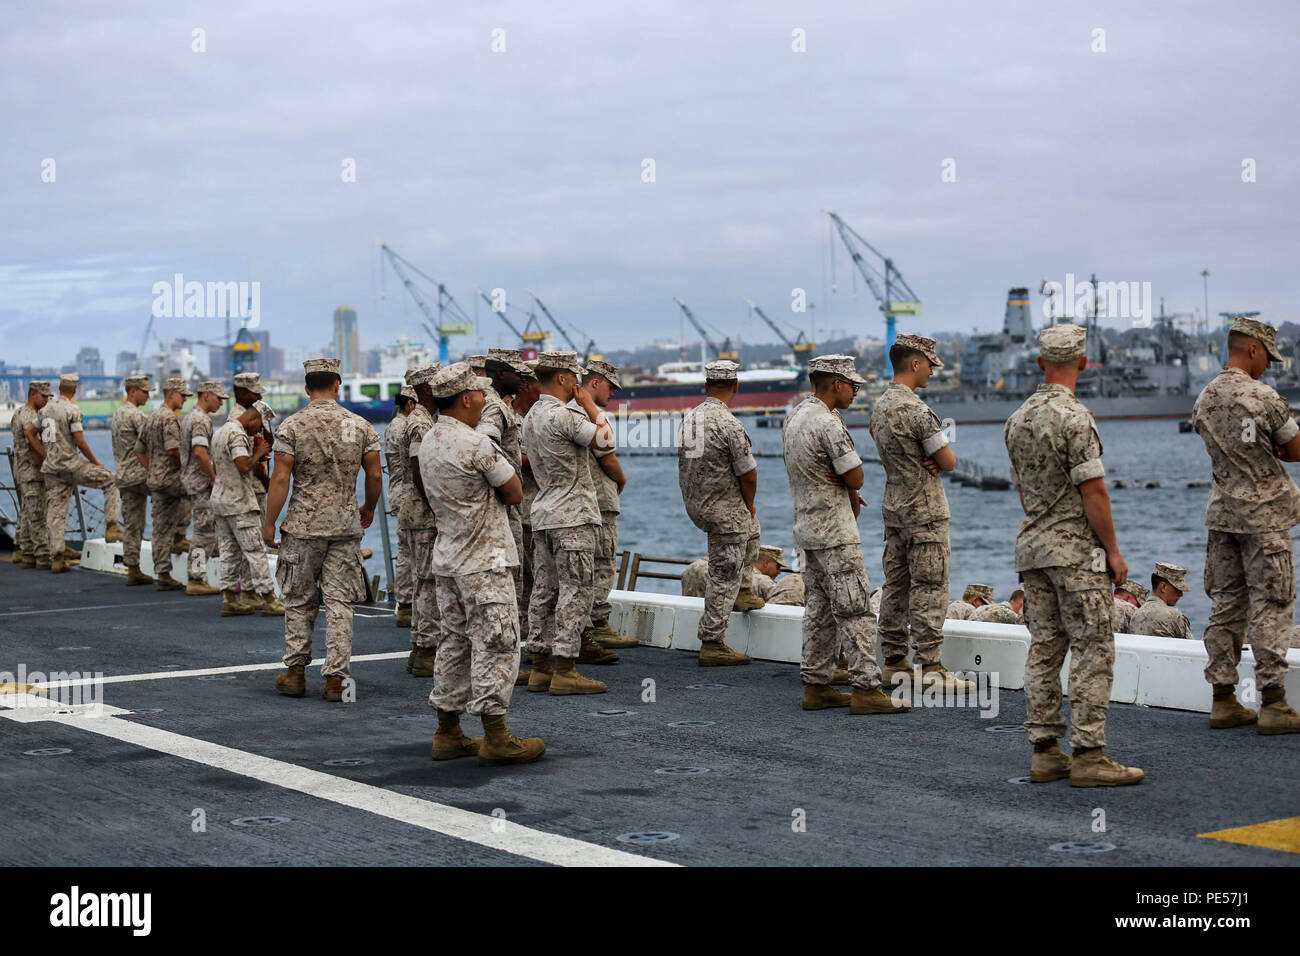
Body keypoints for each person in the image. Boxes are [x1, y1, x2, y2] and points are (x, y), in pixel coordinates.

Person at [1004, 323, 1142, 787]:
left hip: (1033, 549)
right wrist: (1114, 552)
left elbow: (1026, 495)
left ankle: (1045, 751)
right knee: (1092, 647)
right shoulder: (1076, 417)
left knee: (1045, 647)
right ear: (1084, 362)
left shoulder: (1017, 419)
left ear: (1041, 363)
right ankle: (1089, 755)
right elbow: (1094, 492)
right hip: (1077, 555)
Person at [420, 362, 544, 765]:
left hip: (448, 559)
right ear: (468, 398)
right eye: (480, 394)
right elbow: (513, 492)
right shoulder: (476, 444)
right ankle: (495, 735)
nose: (484, 400)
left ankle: (447, 731)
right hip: (485, 563)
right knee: (498, 642)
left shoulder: (429, 441)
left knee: (454, 643)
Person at [1191, 317, 1300, 734]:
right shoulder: (1262, 397)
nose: (1269, 366)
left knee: (1226, 604)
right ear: (1253, 349)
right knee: (1272, 603)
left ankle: (1223, 699)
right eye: (1267, 357)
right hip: (1265, 520)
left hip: (1222, 518)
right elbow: (1294, 449)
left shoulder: (1205, 398)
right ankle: (1273, 704)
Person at [784, 354, 908, 714]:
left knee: (819, 608)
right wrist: (850, 486)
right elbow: (856, 477)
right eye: (852, 385)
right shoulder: (828, 423)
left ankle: (816, 684)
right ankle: (867, 689)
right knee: (855, 611)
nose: (855, 392)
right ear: (835, 383)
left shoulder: (793, 417)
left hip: (806, 531)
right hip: (836, 532)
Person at [265, 358, 382, 702]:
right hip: (345, 527)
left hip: (302, 528)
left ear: (306, 388)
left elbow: (281, 478)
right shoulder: (360, 425)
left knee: (299, 600)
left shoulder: (292, 426)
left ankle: (295, 673)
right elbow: (374, 476)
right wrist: (369, 507)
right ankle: (336, 679)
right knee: (341, 603)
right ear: (337, 385)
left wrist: (270, 521)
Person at [870, 334, 970, 691]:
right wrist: (935, 460)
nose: (931, 371)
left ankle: (894, 661)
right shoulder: (917, 410)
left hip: (894, 509)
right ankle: (931, 667)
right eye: (929, 364)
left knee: (896, 585)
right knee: (930, 584)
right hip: (925, 511)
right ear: (915, 364)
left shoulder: (879, 408)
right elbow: (948, 461)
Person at [521, 350, 617, 694]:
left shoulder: (531, 415)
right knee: (576, 591)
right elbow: (606, 441)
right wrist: (592, 407)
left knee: (544, 591)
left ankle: (541, 666)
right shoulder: (563, 416)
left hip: (544, 511)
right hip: (573, 515)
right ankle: (565, 669)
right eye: (573, 376)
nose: (578, 382)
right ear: (561, 378)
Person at [677, 359, 761, 667]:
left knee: (752, 531)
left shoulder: (689, 419)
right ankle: (712, 642)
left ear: (706, 386)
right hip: (724, 511)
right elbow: (748, 475)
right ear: (736, 387)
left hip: (697, 505)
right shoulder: (730, 425)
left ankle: (746, 589)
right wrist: (748, 503)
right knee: (723, 574)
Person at [477, 348, 536, 679]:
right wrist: (506, 483)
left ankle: (502, 659)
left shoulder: (493, 403)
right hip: (502, 508)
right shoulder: (494, 407)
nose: (524, 379)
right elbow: (484, 447)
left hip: (500, 507)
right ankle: (503, 664)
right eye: (518, 373)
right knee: (505, 583)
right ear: (500, 373)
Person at [38, 373, 123, 572]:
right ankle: (111, 527)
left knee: (56, 512)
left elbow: (33, 434)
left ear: (59, 388)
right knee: (111, 481)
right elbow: (80, 440)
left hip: (51, 468)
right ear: (74, 390)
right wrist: (96, 462)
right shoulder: (72, 410)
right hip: (71, 466)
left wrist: (46, 454)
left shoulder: (45, 410)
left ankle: (57, 557)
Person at [579, 360, 636, 653]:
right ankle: (598, 625)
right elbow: (606, 452)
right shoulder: (589, 415)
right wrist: (621, 478)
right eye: (611, 386)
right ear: (596, 382)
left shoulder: (564, 411)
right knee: (602, 562)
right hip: (599, 500)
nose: (613, 393)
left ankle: (588, 625)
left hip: (581, 501)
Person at [210, 405, 280, 616]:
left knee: (229, 551)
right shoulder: (237, 434)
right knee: (255, 551)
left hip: (220, 499)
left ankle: (230, 599)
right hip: (239, 502)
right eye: (260, 425)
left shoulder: (220, 431)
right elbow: (242, 465)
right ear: (254, 418)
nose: (258, 431)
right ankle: (269, 599)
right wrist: (259, 452)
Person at [400, 362, 443, 676]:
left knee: (422, 582)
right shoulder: (420, 423)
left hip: (418, 511)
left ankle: (419, 647)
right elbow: (418, 470)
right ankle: (427, 650)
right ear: (428, 388)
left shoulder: (424, 419)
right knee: (429, 583)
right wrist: (437, 506)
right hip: (423, 512)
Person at [136, 377, 192, 589]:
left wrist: (152, 469)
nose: (185, 399)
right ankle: (193, 544)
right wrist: (186, 470)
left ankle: (162, 573)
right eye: (183, 395)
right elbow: (173, 451)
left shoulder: (151, 417)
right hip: (171, 478)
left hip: (155, 479)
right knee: (204, 497)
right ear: (171, 394)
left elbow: (139, 449)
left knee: (160, 527)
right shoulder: (168, 418)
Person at [178, 381, 227, 597]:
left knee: (204, 529)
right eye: (218, 398)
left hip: (192, 481)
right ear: (207, 396)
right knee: (203, 532)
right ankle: (196, 578)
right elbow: (200, 452)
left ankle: (197, 574)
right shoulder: (200, 420)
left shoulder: (190, 416)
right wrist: (214, 477)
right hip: (200, 483)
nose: (221, 403)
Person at [110, 376, 155, 585]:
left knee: (132, 523)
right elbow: (153, 444)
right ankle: (176, 542)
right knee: (175, 501)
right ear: (133, 391)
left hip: (124, 475)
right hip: (140, 474)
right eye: (145, 392)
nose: (148, 395)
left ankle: (133, 569)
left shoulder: (117, 414)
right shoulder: (137, 416)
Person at [10, 381, 52, 569]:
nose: (46, 400)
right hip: (32, 471)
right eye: (43, 396)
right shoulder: (29, 416)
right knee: (37, 513)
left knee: (27, 511)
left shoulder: (19, 412)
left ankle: (26, 552)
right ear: (33, 394)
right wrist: (46, 461)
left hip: (22, 470)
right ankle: (42, 555)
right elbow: (33, 443)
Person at [385, 385, 417, 627]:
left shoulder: (393, 425)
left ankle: (405, 603)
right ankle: (406, 603)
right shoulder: (405, 426)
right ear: (410, 404)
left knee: (405, 549)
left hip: (398, 490)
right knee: (409, 551)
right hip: (408, 491)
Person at [1127, 563, 1192, 638]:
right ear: (1163, 587)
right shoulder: (1174, 616)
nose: (1181, 594)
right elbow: (1190, 646)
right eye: (1177, 589)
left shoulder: (1135, 615)